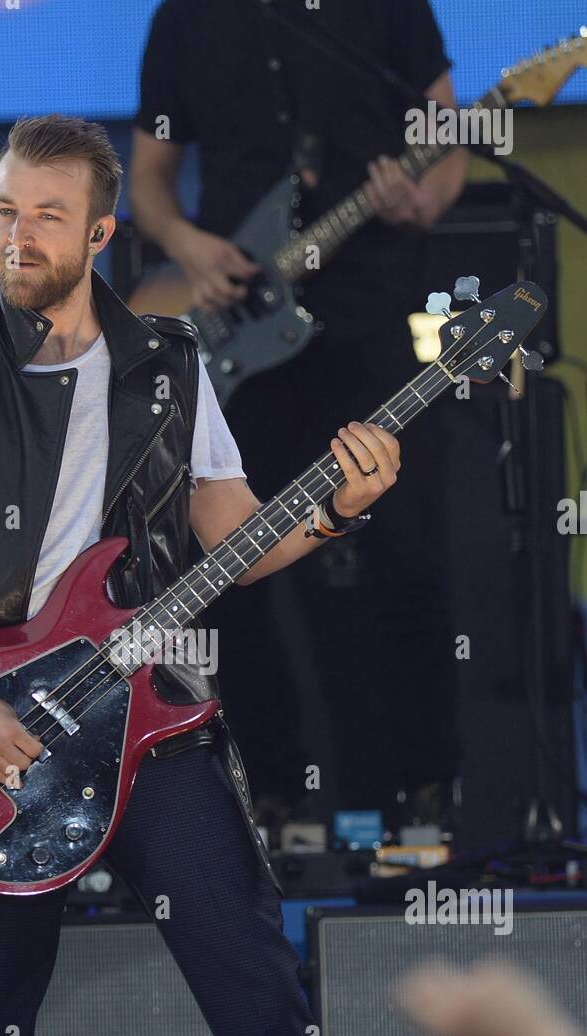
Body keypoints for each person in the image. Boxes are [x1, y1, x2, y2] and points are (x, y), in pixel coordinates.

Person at [0, 114, 400, 1036]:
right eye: (5, 211)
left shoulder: (169, 366)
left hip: (151, 728)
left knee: (263, 1000)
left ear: (100, 235)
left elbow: (233, 536)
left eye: (47, 217)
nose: (18, 236)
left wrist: (332, 509)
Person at [130, 0, 469, 828]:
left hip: (368, 315)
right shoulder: (186, 18)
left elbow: (447, 141)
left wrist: (420, 200)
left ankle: (425, 797)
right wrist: (188, 245)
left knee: (405, 554)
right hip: (242, 328)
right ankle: (268, 794)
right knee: (228, 566)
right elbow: (149, 178)